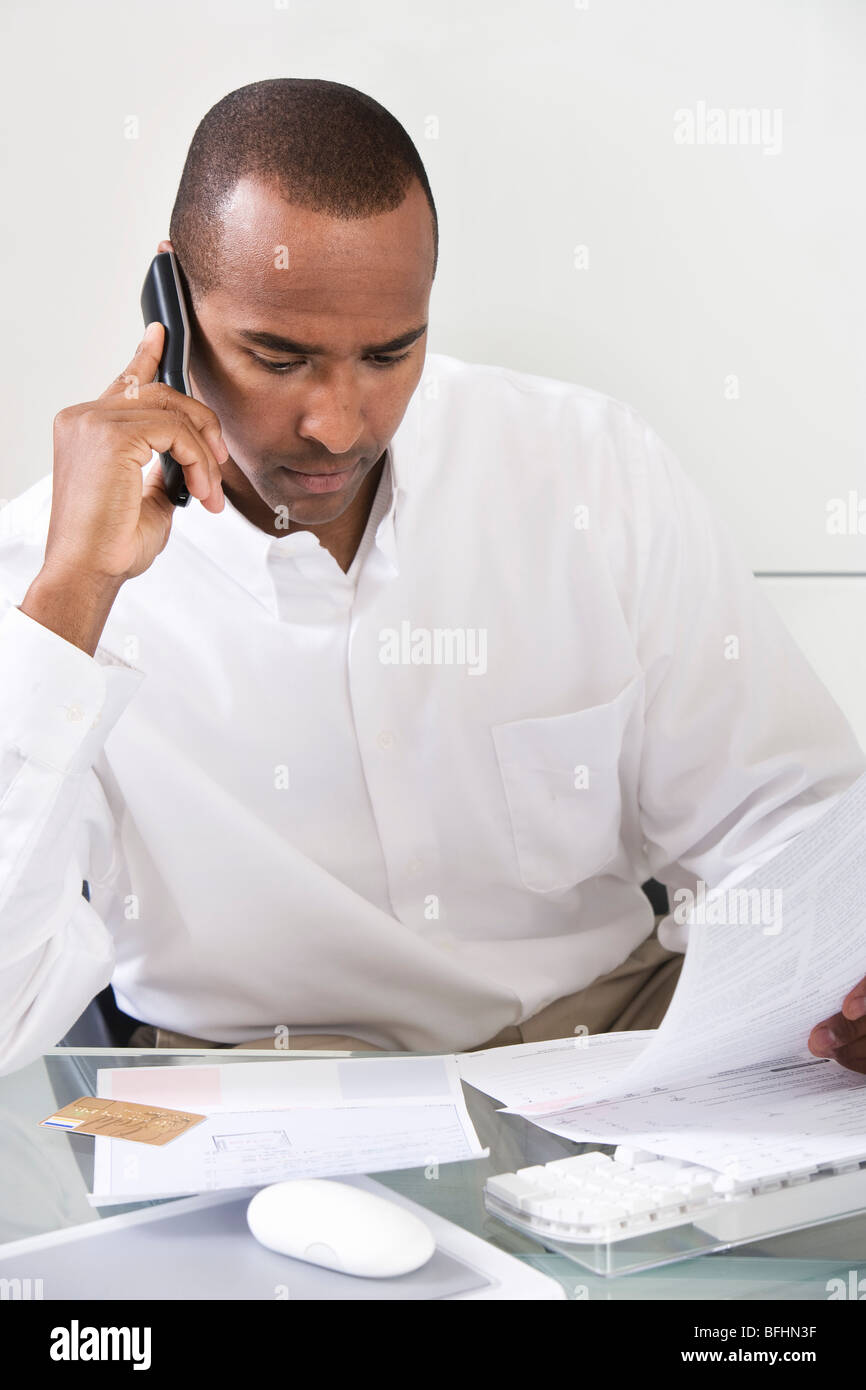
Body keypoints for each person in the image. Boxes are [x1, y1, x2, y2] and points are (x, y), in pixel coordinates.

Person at [1, 77, 864, 1076]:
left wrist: (834, 960)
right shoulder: (47, 574)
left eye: (387, 353)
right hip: (265, 1090)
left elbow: (786, 819)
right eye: (276, 358)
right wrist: (71, 598)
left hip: (618, 1047)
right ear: (172, 302)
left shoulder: (584, 467)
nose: (336, 423)